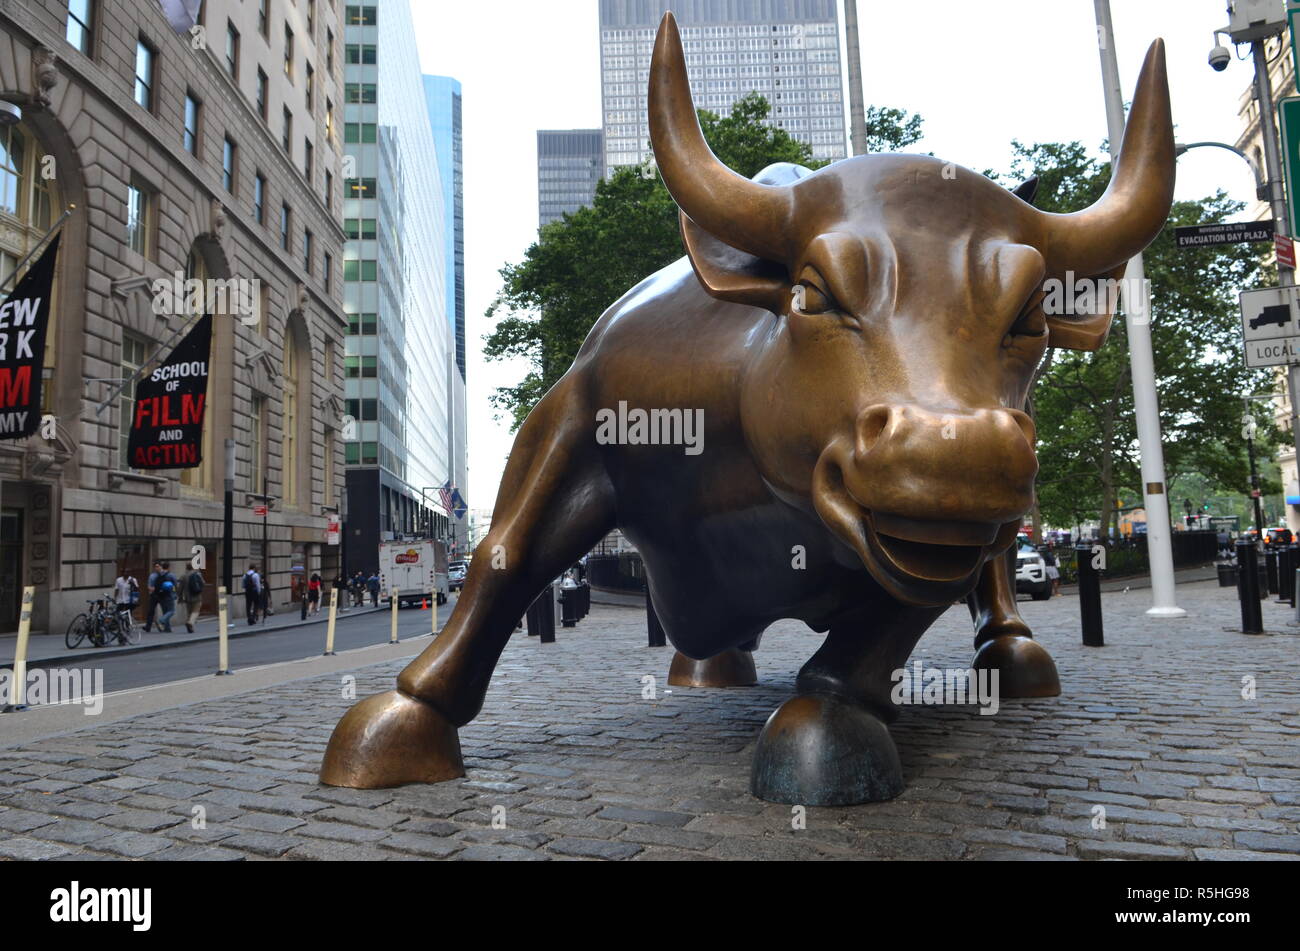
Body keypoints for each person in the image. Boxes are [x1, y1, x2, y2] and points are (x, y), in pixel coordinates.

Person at [180, 564, 205, 633]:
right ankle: (190, 623)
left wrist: (180, 597)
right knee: (195, 611)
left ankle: (190, 628)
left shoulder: (183, 576)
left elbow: (180, 588)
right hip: (197, 596)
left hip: (187, 597)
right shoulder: (197, 574)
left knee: (189, 612)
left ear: (186, 568)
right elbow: (203, 583)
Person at [154, 561, 178, 633]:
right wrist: (175, 593)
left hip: (161, 595)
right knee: (171, 611)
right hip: (169, 595)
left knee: (165, 611)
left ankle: (167, 628)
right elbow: (175, 584)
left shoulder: (159, 575)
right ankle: (160, 620)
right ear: (169, 567)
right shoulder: (171, 575)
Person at [143, 561, 163, 633]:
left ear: (161, 567)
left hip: (162, 595)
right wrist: (153, 589)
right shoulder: (152, 576)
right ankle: (148, 627)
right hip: (154, 595)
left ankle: (164, 626)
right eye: (155, 567)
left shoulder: (164, 574)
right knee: (150, 611)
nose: (156, 568)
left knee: (165, 610)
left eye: (158, 566)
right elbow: (149, 586)